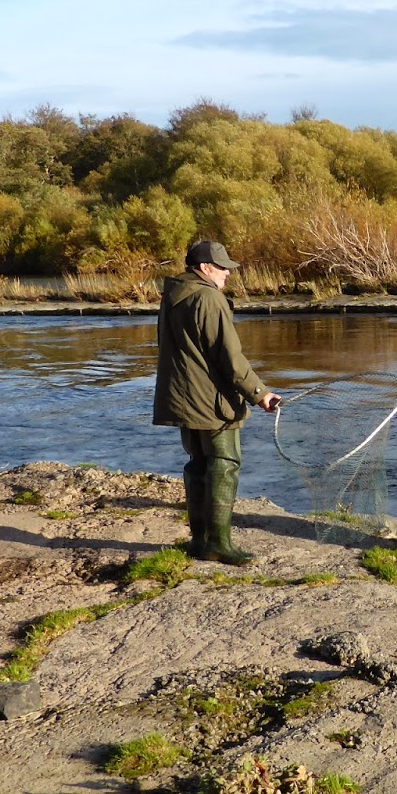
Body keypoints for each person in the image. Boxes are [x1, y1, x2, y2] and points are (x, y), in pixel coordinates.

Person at [153, 239, 281, 565]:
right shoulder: (209, 298)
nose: (227, 274)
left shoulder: (173, 294)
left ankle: (198, 541)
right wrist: (260, 393)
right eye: (222, 267)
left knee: (197, 465)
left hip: (182, 398)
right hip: (210, 401)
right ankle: (218, 544)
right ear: (205, 267)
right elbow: (230, 357)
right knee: (224, 465)